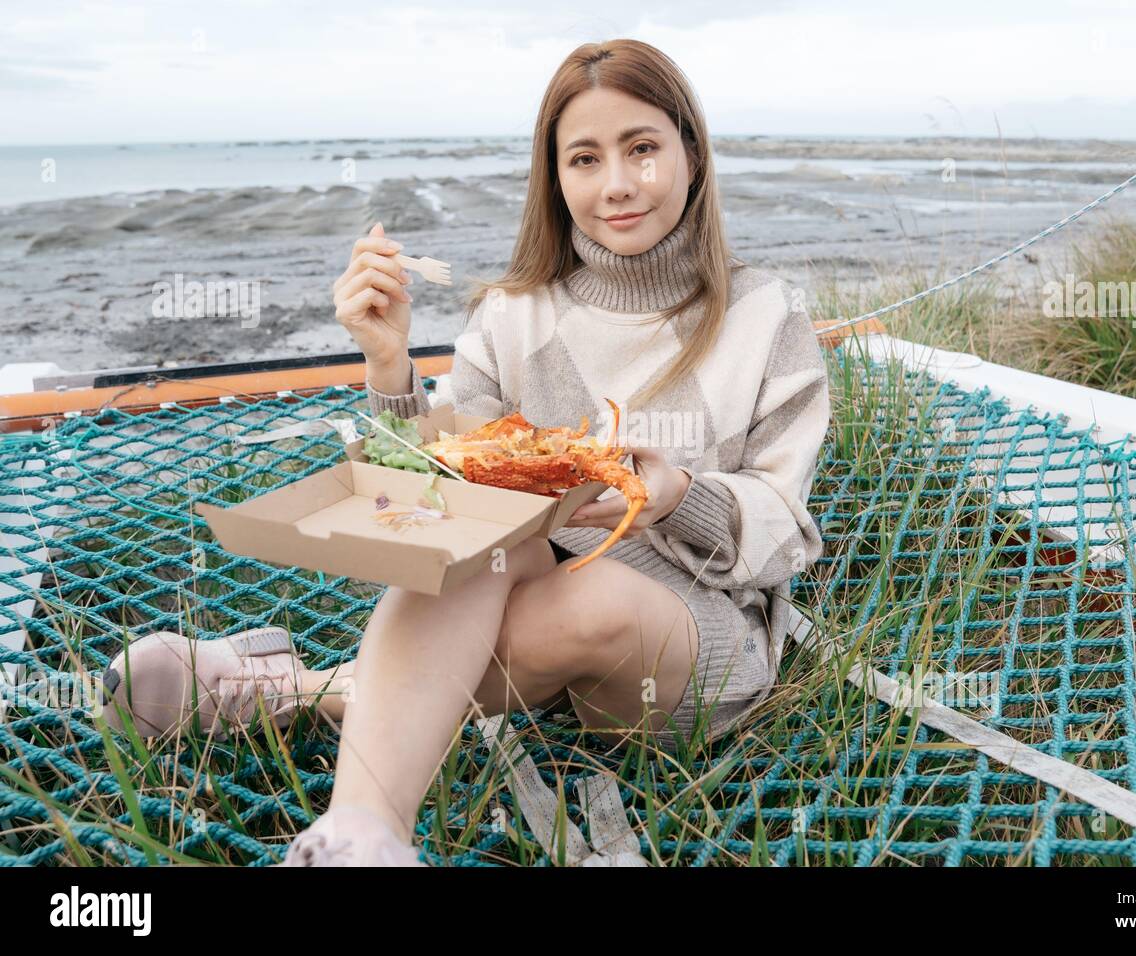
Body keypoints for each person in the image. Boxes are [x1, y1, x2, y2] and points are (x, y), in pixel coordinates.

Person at [100, 38, 830, 867]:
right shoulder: (515, 314)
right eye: (584, 158)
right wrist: (388, 362)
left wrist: (678, 494)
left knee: (588, 601)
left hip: (698, 635)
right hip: (533, 590)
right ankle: (363, 833)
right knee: (482, 556)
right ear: (555, 178)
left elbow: (785, 524)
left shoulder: (766, 316)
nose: (618, 183)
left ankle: (288, 690)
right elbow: (439, 492)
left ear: (690, 155)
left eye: (642, 149)